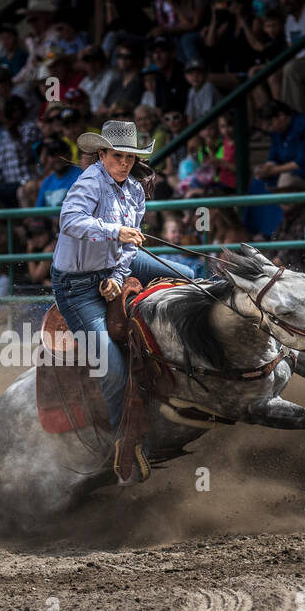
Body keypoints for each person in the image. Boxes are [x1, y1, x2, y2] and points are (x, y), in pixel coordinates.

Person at [50, 120, 193, 485]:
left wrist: (116, 278)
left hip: (110, 267)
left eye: (130, 157)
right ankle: (123, 443)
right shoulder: (89, 182)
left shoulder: (134, 192)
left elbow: (129, 250)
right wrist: (115, 231)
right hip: (76, 286)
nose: (125, 163)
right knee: (112, 368)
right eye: (118, 156)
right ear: (102, 155)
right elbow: (69, 220)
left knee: (186, 276)